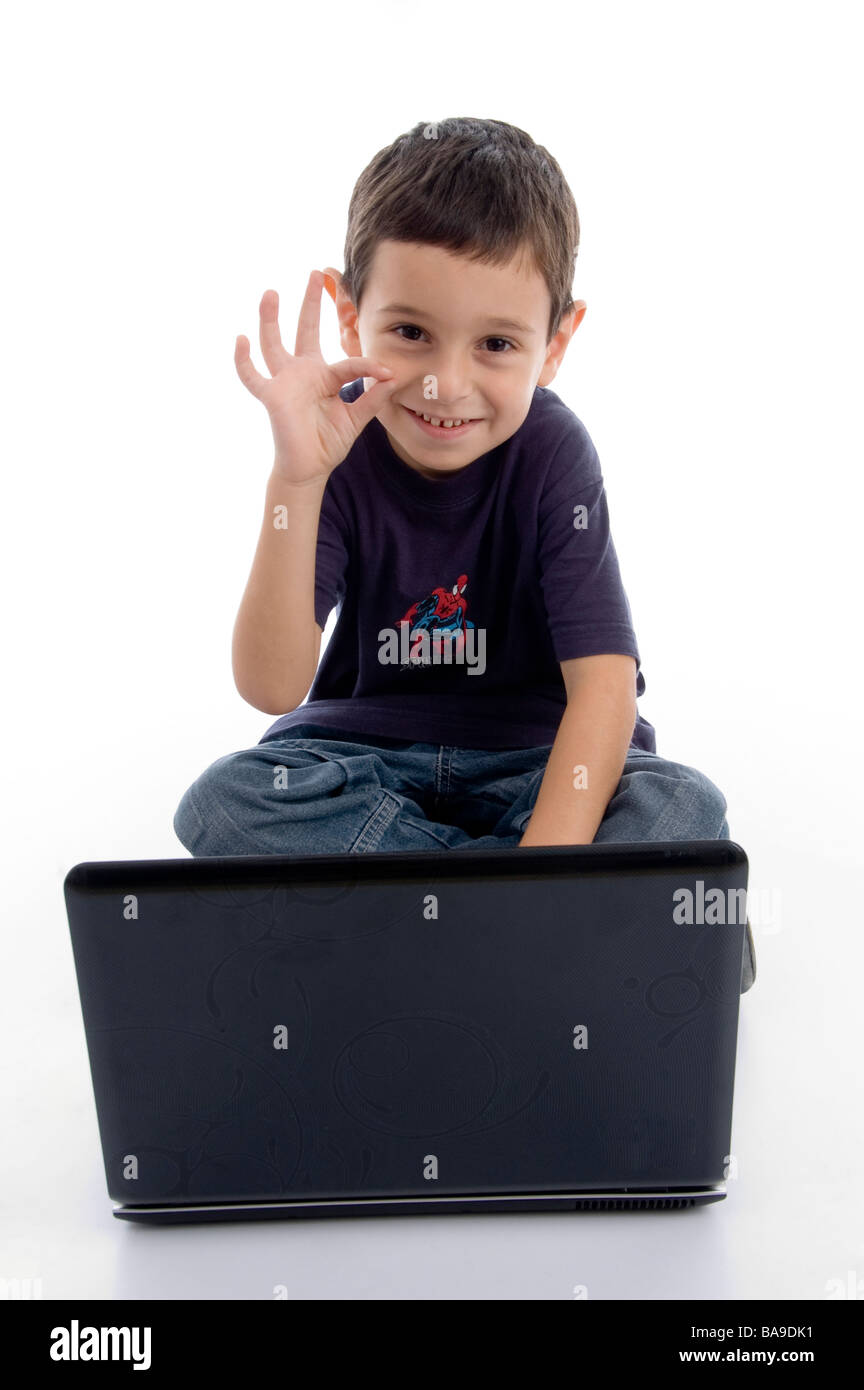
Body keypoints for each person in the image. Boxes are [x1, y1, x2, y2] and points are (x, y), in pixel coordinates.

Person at [173, 117, 754, 987]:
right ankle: (505, 925)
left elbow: (603, 686)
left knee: (681, 806)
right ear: (348, 313)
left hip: (535, 761)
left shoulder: (556, 453)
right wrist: (295, 483)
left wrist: (540, 868)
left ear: (555, 345)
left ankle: (418, 916)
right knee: (224, 804)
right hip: (365, 759)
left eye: (495, 344)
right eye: (409, 333)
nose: (448, 383)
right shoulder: (337, 449)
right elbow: (270, 685)